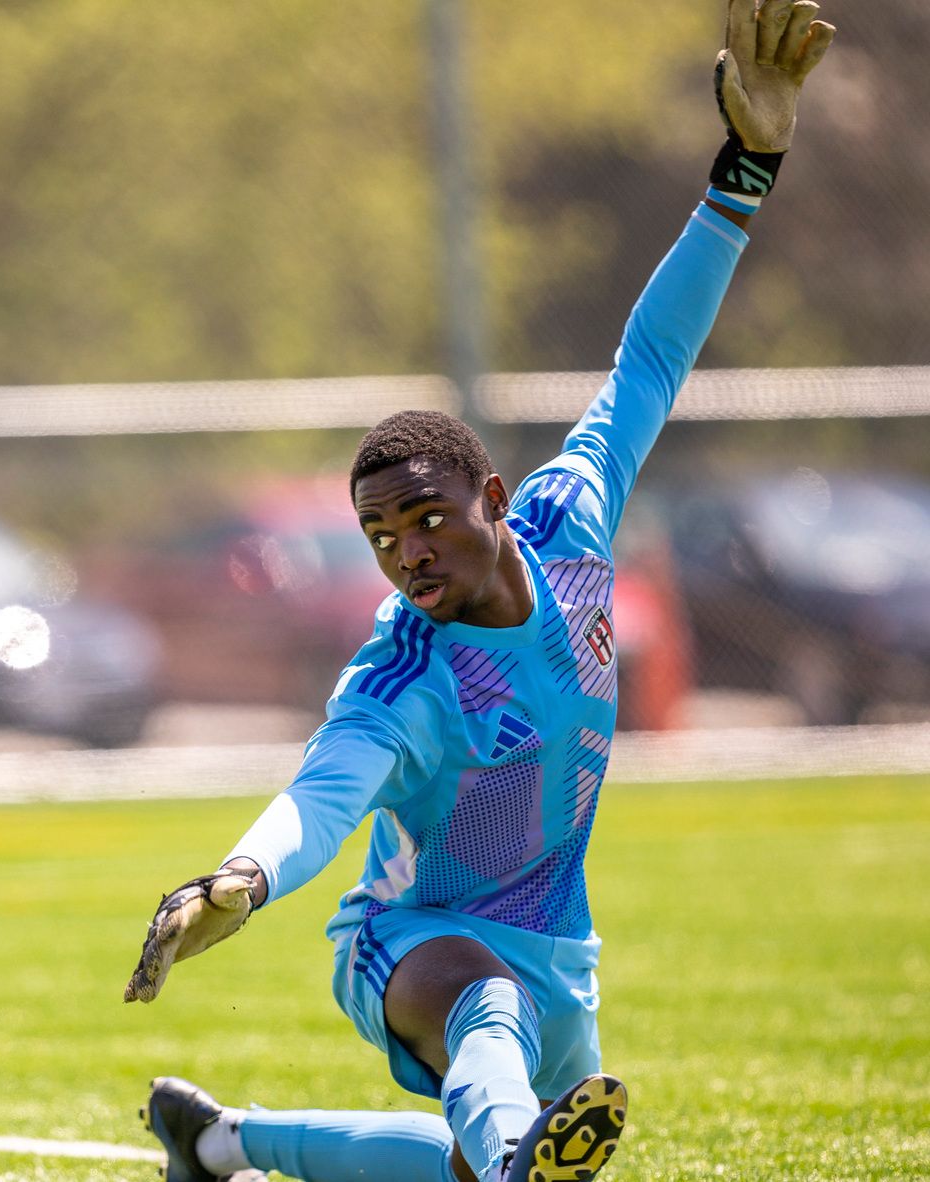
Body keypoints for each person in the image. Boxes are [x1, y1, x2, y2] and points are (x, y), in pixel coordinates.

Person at [125, 4, 835, 1181]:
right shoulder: (399, 678)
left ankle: (220, 1143)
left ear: (494, 501)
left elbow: (648, 360)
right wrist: (241, 879)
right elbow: (322, 797)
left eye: (427, 518)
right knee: (485, 1027)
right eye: (379, 536)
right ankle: (511, 1155)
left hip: (558, 941)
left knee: (468, 1155)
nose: (406, 553)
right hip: (410, 948)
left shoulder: (571, 520)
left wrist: (744, 170)